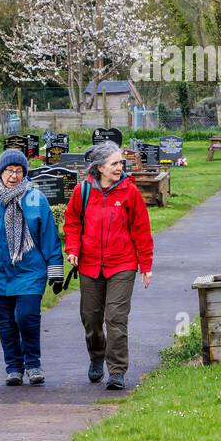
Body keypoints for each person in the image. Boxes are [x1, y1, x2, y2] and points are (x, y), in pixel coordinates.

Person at [0, 148, 65, 386]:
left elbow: (48, 235)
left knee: (26, 317)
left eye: (19, 171)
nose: (14, 175)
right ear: (0, 172)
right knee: (5, 322)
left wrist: (55, 265)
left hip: (30, 271)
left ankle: (33, 364)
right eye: (9, 170)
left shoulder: (35, 198)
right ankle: (13, 367)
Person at [64, 141, 154, 391]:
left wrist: (145, 265)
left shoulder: (129, 192)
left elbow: (142, 231)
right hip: (90, 265)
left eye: (121, 163)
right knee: (91, 319)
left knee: (115, 318)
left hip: (122, 265)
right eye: (114, 163)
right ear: (100, 167)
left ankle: (117, 371)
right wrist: (72, 249)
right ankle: (96, 356)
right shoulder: (83, 191)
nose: (119, 167)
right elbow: (72, 221)